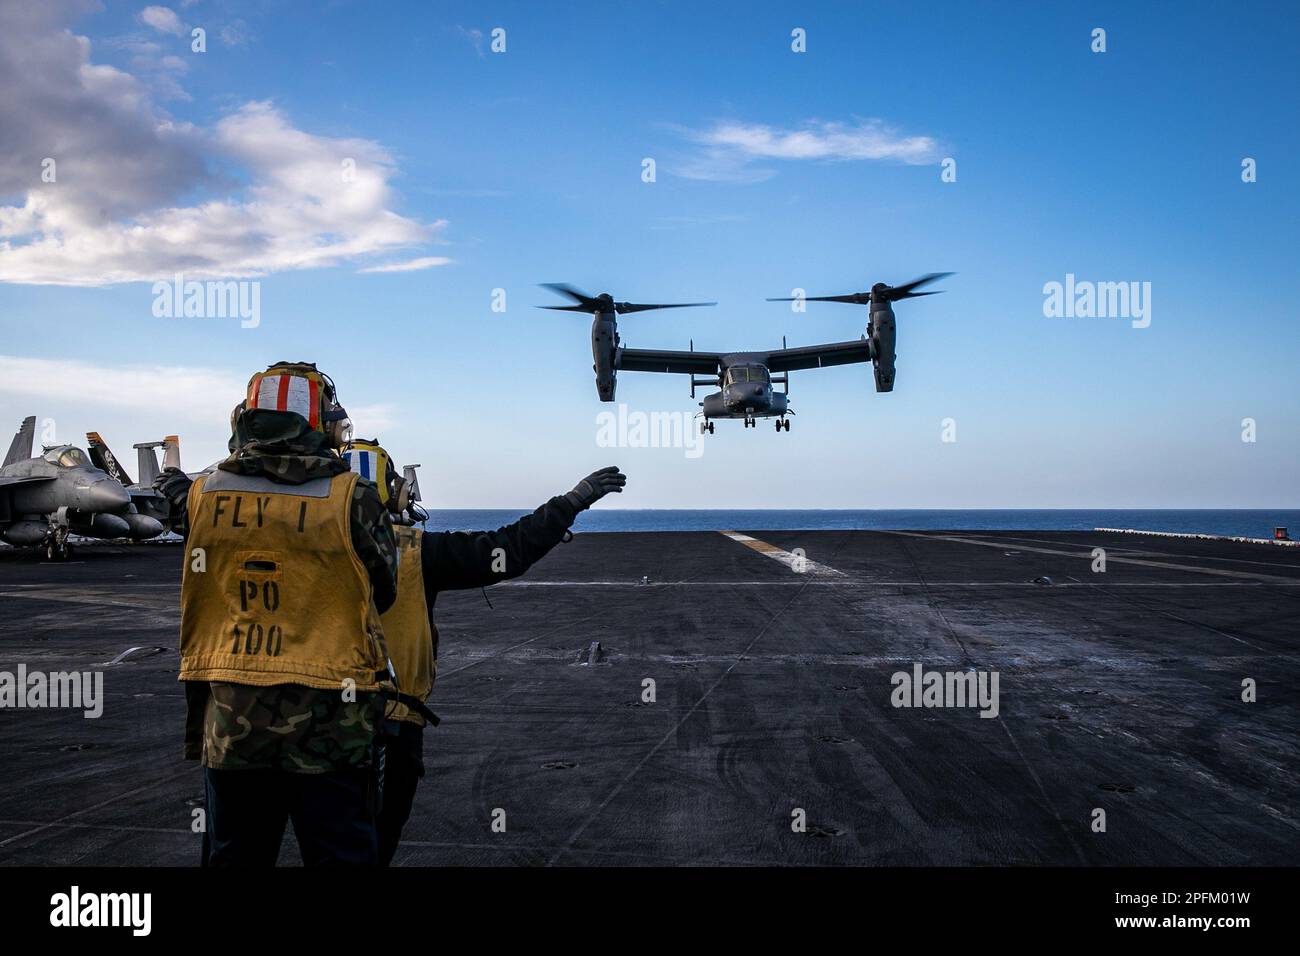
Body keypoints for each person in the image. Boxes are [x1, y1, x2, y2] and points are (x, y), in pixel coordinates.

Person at [154, 362, 398, 866]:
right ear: (319, 423)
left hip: (232, 717)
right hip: (333, 718)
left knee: (234, 856)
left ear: (245, 418)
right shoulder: (353, 496)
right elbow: (385, 590)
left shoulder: (205, 494)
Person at [340, 437, 626, 865]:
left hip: (310, 721)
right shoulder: (417, 552)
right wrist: (572, 501)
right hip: (389, 725)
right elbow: (505, 551)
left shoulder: (302, 552)